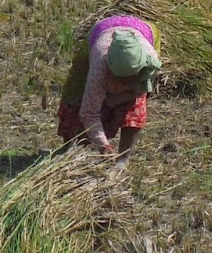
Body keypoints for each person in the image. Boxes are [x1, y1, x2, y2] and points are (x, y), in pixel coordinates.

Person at [59, 14, 163, 162]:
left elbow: (142, 90)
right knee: (75, 96)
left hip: (143, 31)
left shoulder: (150, 61)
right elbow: (88, 113)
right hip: (101, 32)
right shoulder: (99, 69)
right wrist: (103, 145)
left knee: (135, 106)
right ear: (111, 70)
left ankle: (123, 159)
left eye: (131, 78)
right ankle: (68, 150)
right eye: (121, 78)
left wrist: (114, 100)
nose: (125, 82)